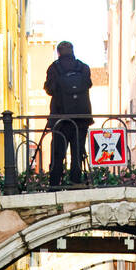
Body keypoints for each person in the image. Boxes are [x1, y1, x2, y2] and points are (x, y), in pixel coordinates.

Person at [44, 41, 93, 187]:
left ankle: (54, 185)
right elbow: (88, 84)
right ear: (72, 51)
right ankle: (75, 183)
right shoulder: (83, 68)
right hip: (81, 119)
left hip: (61, 119)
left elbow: (50, 90)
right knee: (77, 153)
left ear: (59, 53)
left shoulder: (54, 68)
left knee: (58, 153)